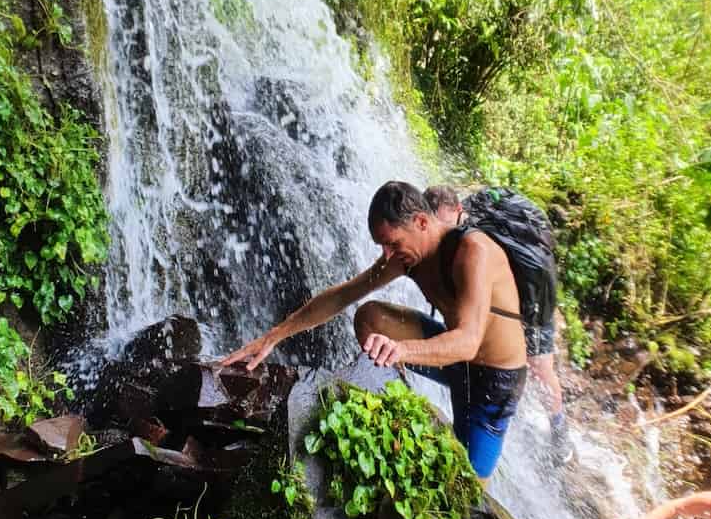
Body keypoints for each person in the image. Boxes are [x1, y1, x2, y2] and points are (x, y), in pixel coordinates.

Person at [221, 180, 527, 480]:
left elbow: (468, 342)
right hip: (451, 359)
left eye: (393, 243)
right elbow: (344, 295)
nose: (387, 255)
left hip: (493, 379)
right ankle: (397, 411)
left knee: (467, 481)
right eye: (382, 246)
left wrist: (402, 350)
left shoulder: (473, 251)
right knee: (370, 317)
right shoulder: (407, 256)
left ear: (421, 222)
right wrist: (274, 335)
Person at [423, 184, 575, 465]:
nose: (443, 233)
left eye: (447, 224)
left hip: (531, 304)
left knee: (540, 367)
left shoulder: (478, 239)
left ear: (459, 210)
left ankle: (559, 429)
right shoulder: (455, 237)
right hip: (502, 309)